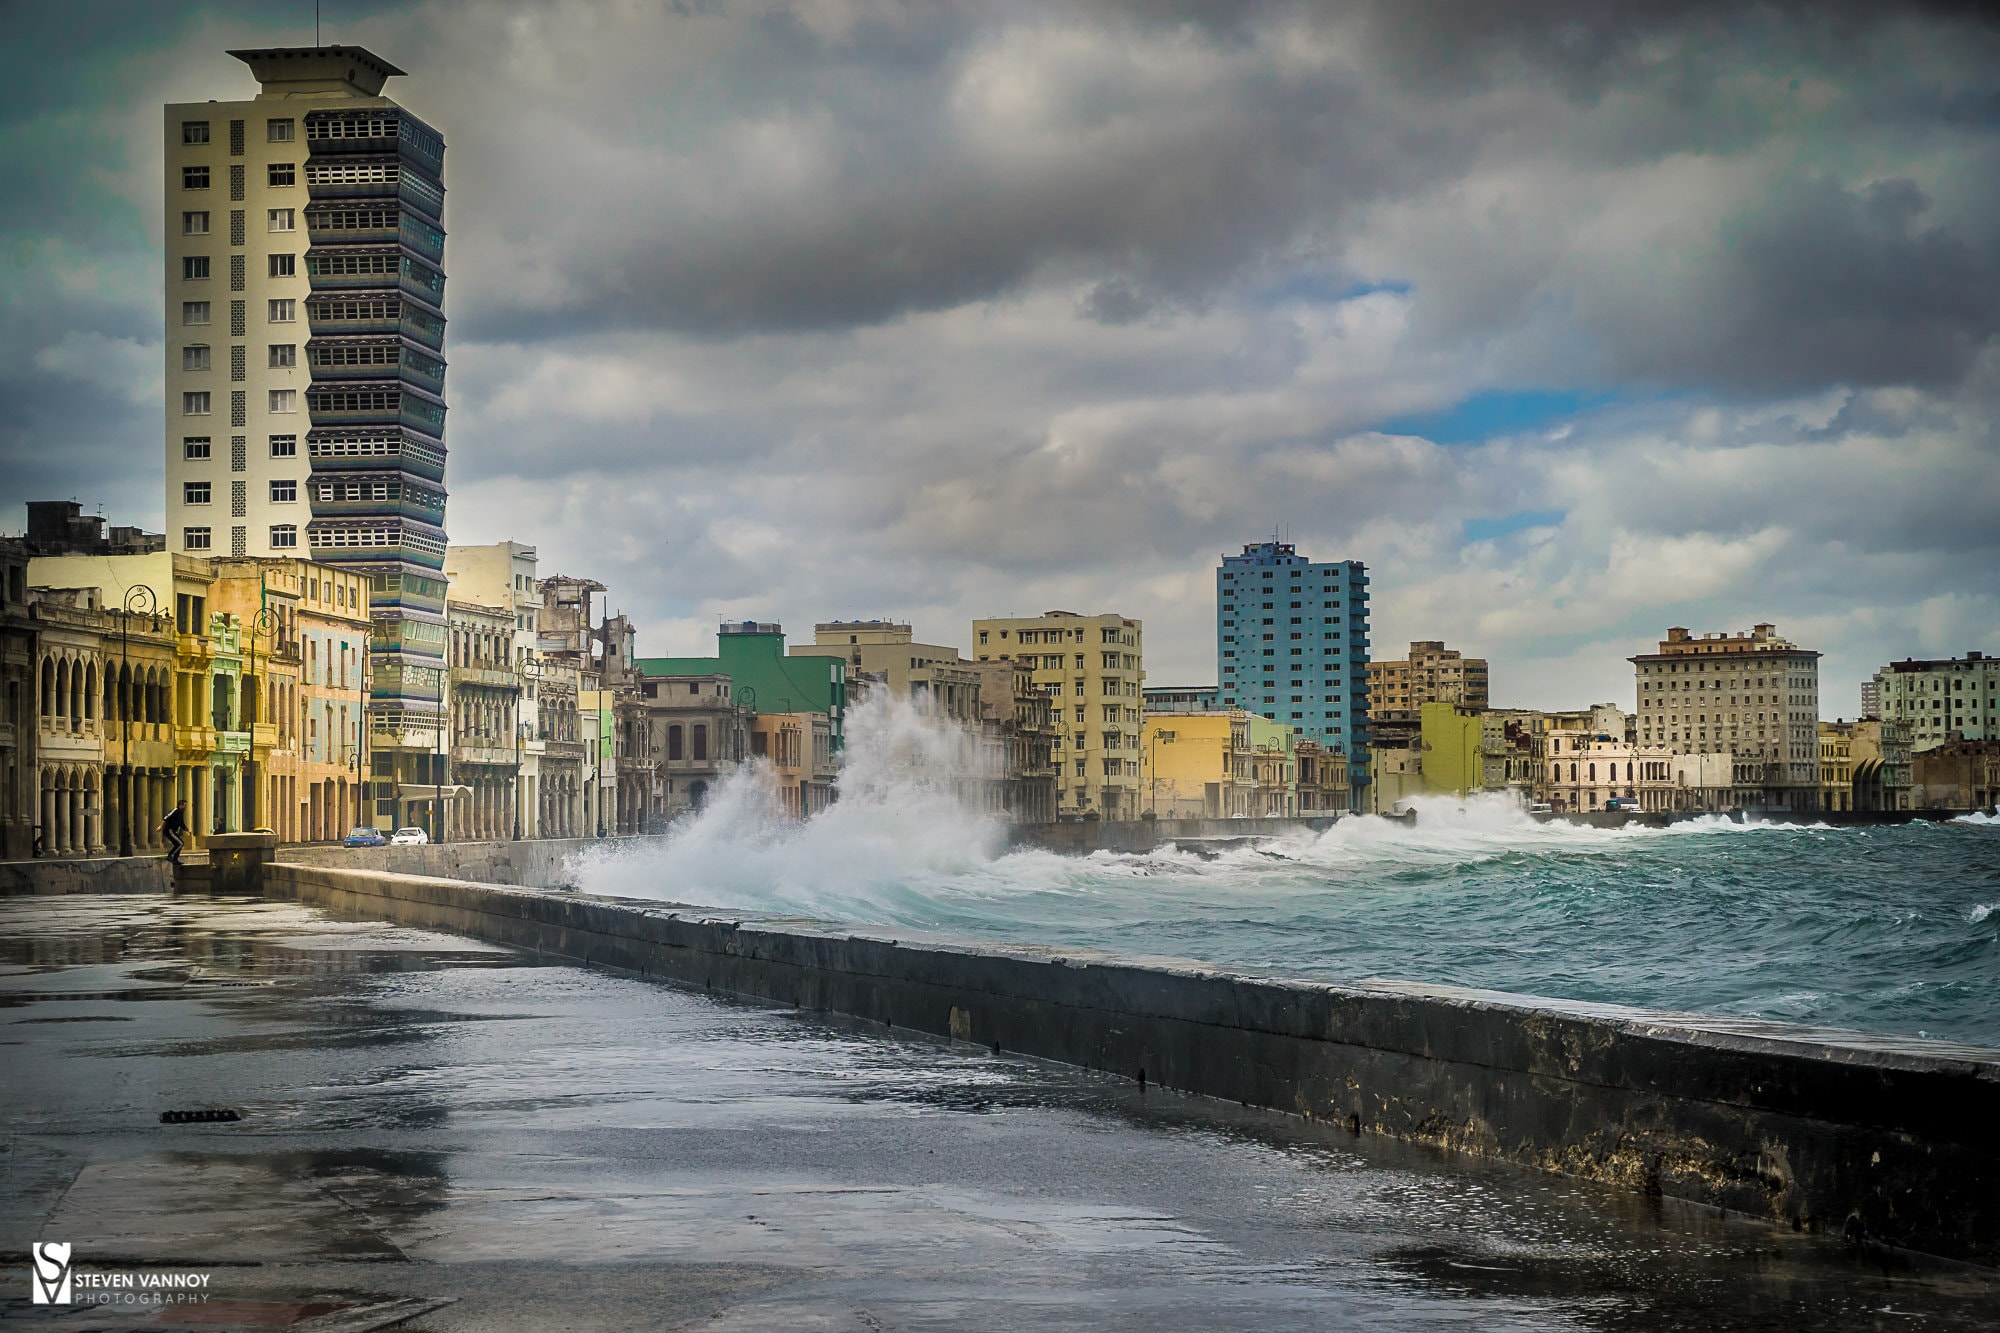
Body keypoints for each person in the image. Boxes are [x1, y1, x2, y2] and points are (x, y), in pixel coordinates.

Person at [158, 801, 188, 866]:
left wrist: (187, 829)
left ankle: (175, 859)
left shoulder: (181, 813)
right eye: (185, 805)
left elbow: (181, 823)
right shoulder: (175, 810)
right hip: (169, 830)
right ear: (180, 805)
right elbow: (166, 818)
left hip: (173, 831)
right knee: (180, 843)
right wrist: (160, 826)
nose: (186, 807)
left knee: (178, 844)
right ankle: (170, 856)